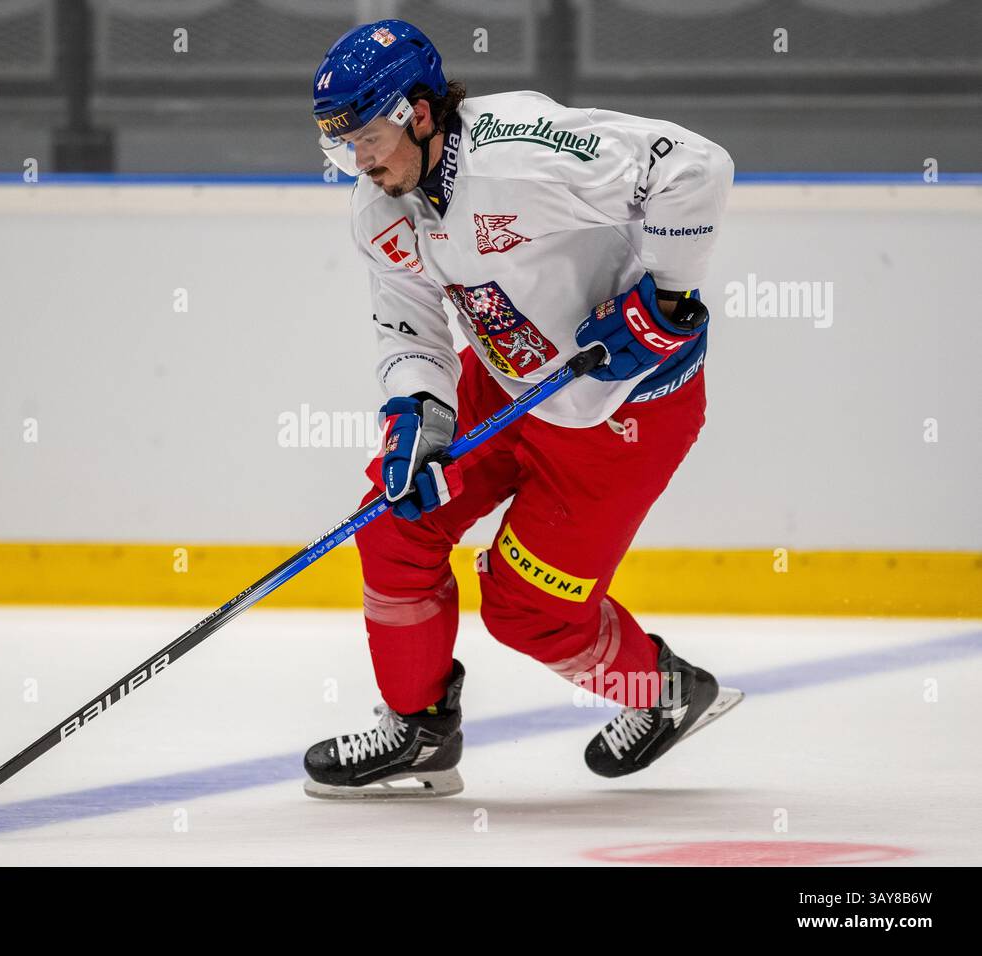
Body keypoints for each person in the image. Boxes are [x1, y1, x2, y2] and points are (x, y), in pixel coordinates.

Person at [303, 20, 742, 799]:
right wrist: (415, 410)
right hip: (509, 378)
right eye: (346, 147)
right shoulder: (382, 209)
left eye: (369, 138)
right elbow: (407, 325)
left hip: (622, 415)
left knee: (526, 611)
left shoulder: (520, 150)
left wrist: (667, 299)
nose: (362, 164)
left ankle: (666, 692)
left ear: (422, 112)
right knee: (394, 516)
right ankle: (420, 731)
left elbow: (694, 165)